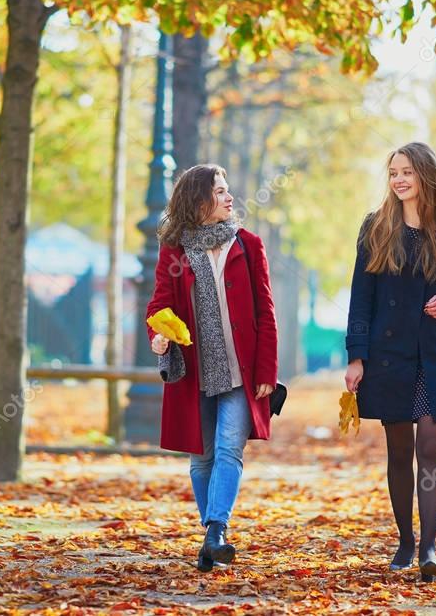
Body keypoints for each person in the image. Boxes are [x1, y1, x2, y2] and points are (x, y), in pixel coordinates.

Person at [343, 142, 436, 582]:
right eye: (393, 172)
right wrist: (356, 357)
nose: (398, 179)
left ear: (425, 177)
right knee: (399, 452)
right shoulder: (375, 227)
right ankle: (405, 542)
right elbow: (361, 297)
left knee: (430, 451)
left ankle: (430, 548)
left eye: (407, 172)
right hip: (389, 358)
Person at [146, 163, 279, 572]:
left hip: (241, 370)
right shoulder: (175, 250)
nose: (228, 197)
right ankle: (211, 541)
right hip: (195, 371)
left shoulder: (248, 244)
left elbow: (266, 312)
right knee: (200, 459)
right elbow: (159, 303)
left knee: (227, 449)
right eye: (219, 191)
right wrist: (160, 333)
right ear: (198, 200)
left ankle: (216, 530)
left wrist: (266, 373)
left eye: (227, 189)